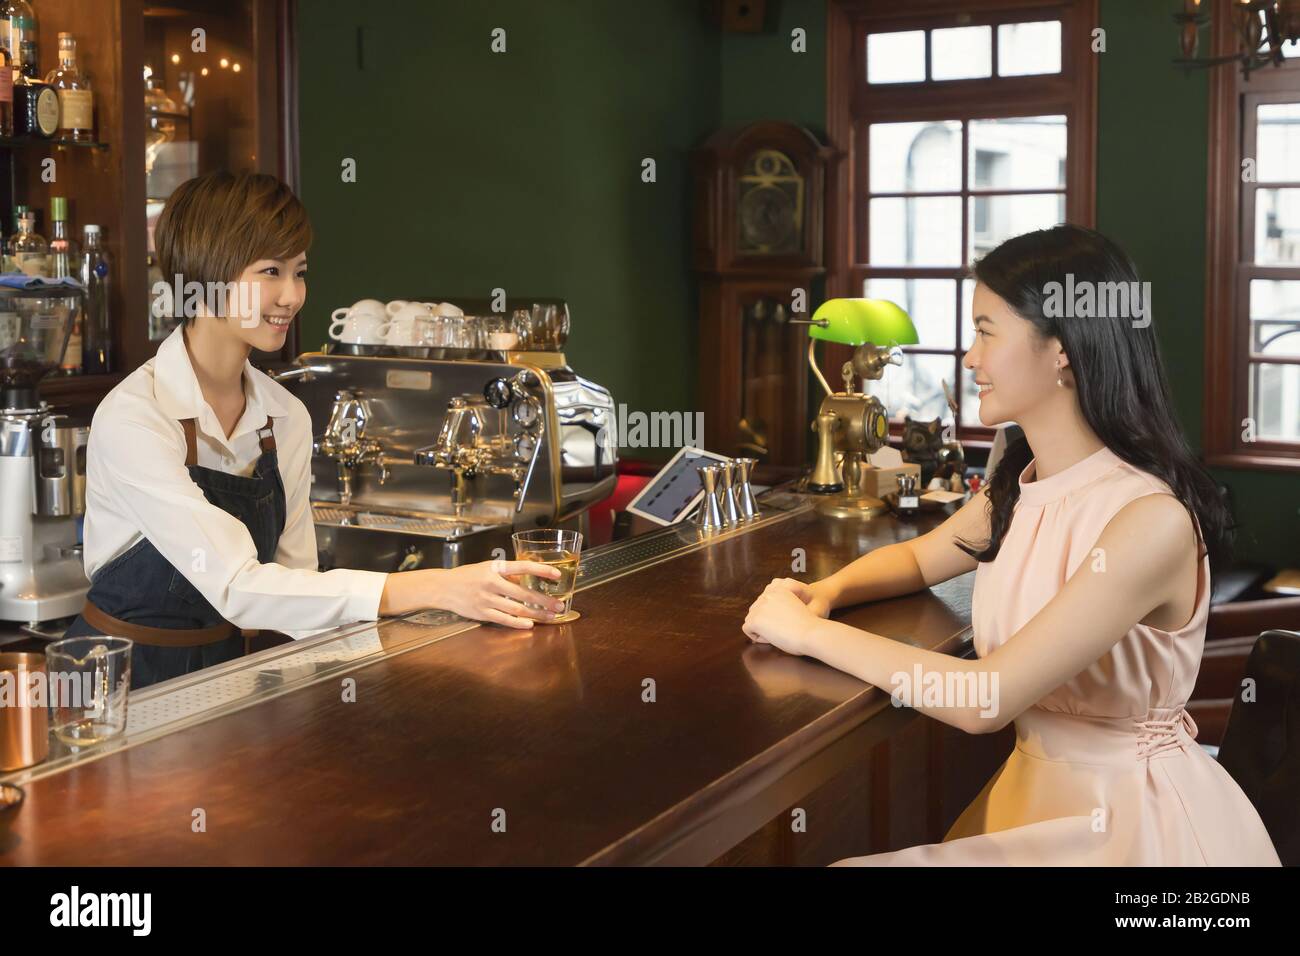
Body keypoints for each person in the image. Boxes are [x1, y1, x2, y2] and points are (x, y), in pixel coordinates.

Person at [742, 224, 1281, 866]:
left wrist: (804, 634)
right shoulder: (1022, 482)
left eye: (985, 331)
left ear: (1061, 349)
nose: (970, 359)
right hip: (1036, 795)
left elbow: (984, 700)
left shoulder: (1148, 519)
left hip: (1133, 828)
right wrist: (825, 592)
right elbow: (920, 557)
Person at [61, 171, 566, 689]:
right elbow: (237, 585)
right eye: (270, 271)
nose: (292, 295)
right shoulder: (136, 417)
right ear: (205, 275)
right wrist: (435, 587)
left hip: (231, 675)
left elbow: (295, 588)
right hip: (121, 683)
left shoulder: (284, 415)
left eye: (299, 272)